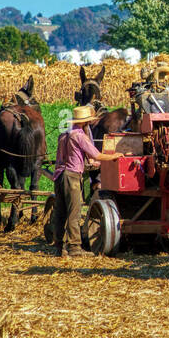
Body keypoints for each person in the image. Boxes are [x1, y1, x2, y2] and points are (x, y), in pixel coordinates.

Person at [51, 105, 120, 257]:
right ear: (85, 122)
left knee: (61, 212)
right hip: (72, 176)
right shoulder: (80, 136)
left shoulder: (64, 135)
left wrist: (89, 161)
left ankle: (59, 246)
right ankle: (75, 247)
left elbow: (69, 156)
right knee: (74, 211)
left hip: (59, 175)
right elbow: (97, 155)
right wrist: (114, 156)